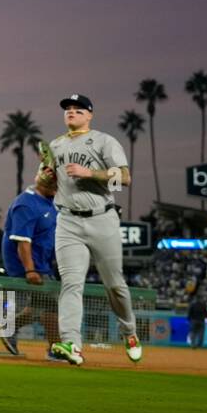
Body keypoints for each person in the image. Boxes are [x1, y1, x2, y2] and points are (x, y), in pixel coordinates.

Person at [40, 94, 141, 366]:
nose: (71, 112)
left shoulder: (104, 141)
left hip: (102, 218)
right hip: (68, 222)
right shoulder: (56, 145)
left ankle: (129, 332)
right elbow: (50, 183)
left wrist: (90, 173)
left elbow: (125, 178)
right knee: (71, 284)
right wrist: (45, 178)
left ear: (89, 115)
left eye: (78, 109)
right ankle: (73, 344)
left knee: (115, 285)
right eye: (68, 109)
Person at [0, 171, 59, 355]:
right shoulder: (26, 203)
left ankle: (9, 327)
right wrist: (30, 270)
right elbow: (22, 241)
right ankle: (56, 349)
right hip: (29, 267)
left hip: (41, 265)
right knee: (51, 308)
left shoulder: (48, 202)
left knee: (40, 307)